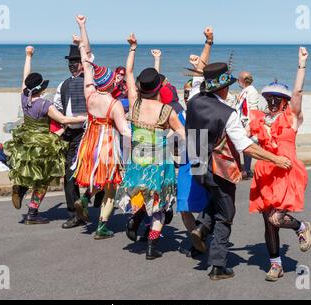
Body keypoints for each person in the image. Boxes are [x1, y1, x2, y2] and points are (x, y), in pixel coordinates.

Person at [186, 47, 293, 280]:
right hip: (218, 168)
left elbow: (197, 76)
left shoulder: (193, 98)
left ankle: (202, 226)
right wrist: (276, 159)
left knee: (213, 198)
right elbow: (247, 147)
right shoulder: (228, 114)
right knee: (226, 213)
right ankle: (218, 265)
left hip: (195, 163)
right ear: (223, 88)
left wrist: (207, 44)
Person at [118, 33, 186, 260]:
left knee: (139, 191)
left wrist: (133, 49)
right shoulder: (167, 111)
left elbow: (127, 73)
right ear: (159, 87)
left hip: (137, 157)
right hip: (159, 160)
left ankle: (135, 218)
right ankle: (151, 247)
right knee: (159, 203)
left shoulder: (135, 103)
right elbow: (183, 134)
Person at [248, 47, 311, 282]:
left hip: (286, 171)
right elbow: (240, 138)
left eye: (277, 100)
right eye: (269, 99)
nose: (272, 103)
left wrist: (301, 65)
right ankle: (276, 265)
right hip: (264, 173)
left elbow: (298, 92)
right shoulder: (259, 120)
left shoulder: (292, 118)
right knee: (268, 222)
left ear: (285, 102)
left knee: (277, 218)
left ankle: (301, 226)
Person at [5, 46, 86, 225]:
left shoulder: (24, 98)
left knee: (28, 172)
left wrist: (28, 56)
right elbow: (64, 119)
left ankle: (21, 187)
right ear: (41, 88)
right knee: (44, 179)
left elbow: (24, 78)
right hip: (42, 145)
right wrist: (83, 118)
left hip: (26, 141)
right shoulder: (44, 105)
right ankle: (32, 213)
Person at [71, 16, 131, 240]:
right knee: (110, 186)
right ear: (112, 85)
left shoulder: (90, 93)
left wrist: (83, 28)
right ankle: (102, 226)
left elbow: (86, 59)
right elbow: (125, 131)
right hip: (106, 145)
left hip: (89, 142)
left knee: (95, 177)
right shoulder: (114, 105)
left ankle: (85, 199)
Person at [176, 27, 214, 259]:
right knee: (183, 207)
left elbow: (200, 72)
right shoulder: (178, 113)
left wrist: (208, 42)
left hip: (200, 154)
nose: (188, 94)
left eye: (192, 90)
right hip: (183, 161)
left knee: (203, 203)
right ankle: (196, 239)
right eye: (185, 91)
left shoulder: (200, 105)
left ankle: (203, 236)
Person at [53, 22, 95, 229]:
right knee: (69, 174)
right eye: (70, 61)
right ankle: (75, 212)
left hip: (88, 133)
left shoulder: (90, 77)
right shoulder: (63, 85)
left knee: (90, 171)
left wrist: (82, 27)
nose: (73, 64)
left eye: (76, 61)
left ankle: (92, 201)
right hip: (71, 133)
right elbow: (57, 108)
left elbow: (87, 50)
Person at [235, 71, 260, 180]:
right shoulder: (244, 91)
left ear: (242, 80)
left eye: (238, 79)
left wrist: (250, 125)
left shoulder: (252, 91)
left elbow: (253, 108)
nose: (237, 81)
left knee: (247, 147)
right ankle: (245, 169)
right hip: (241, 123)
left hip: (247, 124)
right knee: (243, 146)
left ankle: (247, 170)